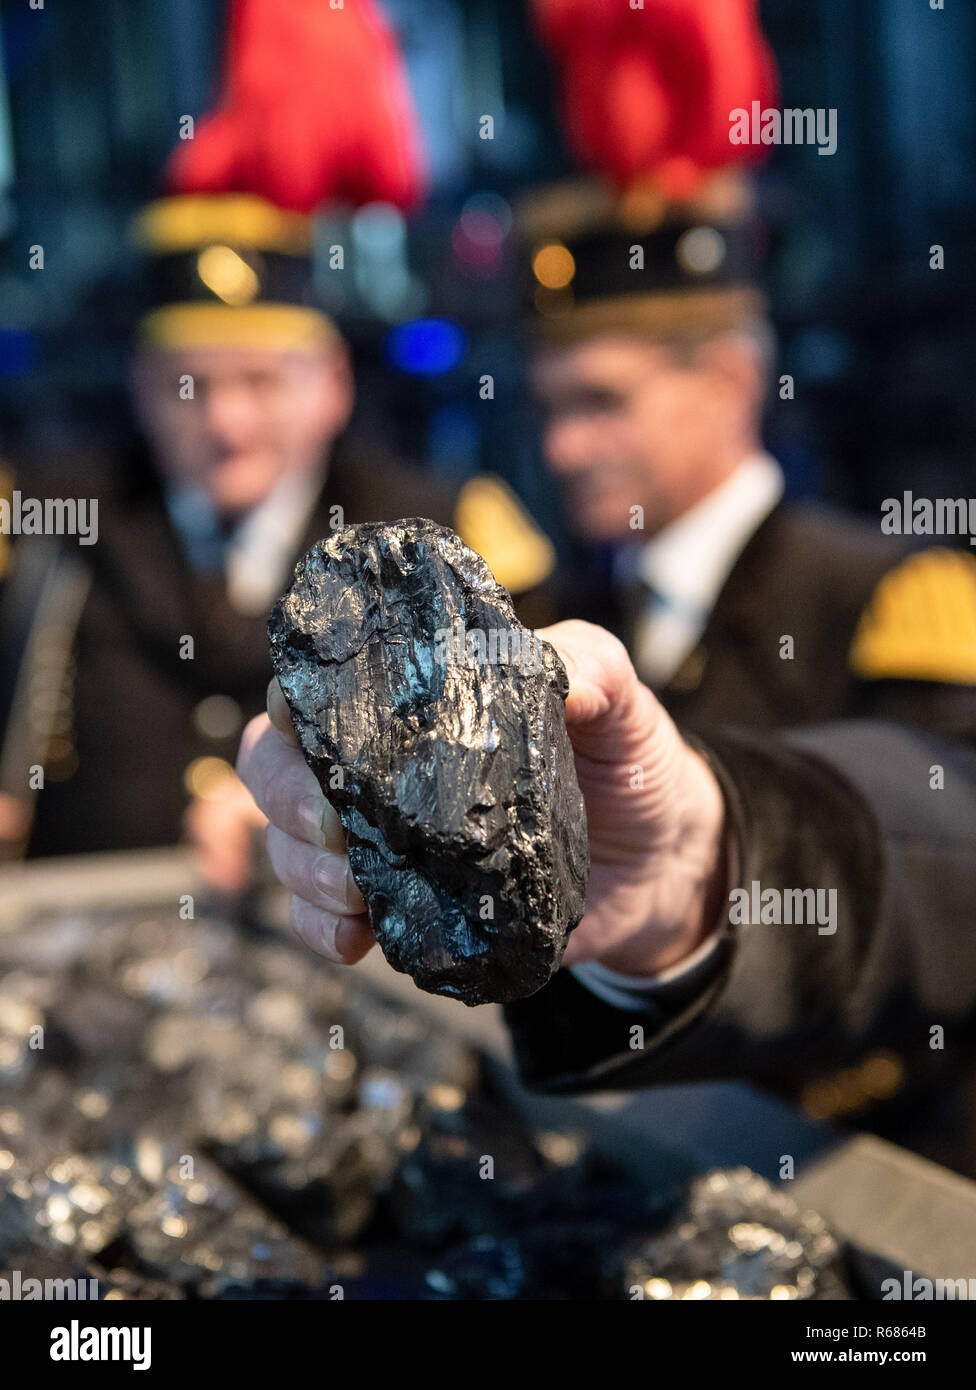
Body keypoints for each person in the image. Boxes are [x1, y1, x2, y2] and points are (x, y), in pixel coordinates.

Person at [237, 623, 976, 1172]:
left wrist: (704, 852)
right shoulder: (568, 562)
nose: (563, 448)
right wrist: (681, 874)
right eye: (553, 411)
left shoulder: (881, 586)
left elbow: (951, 797)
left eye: (601, 405)